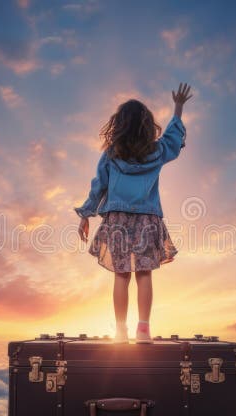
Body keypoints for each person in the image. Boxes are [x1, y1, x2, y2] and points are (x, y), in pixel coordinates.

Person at [75, 82, 193, 344]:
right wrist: (178, 107)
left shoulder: (111, 154)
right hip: (147, 218)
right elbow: (173, 139)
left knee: (121, 274)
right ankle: (143, 330)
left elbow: (99, 185)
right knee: (144, 273)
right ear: (147, 125)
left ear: (119, 125)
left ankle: (120, 331)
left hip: (117, 218)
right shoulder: (157, 152)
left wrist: (86, 214)